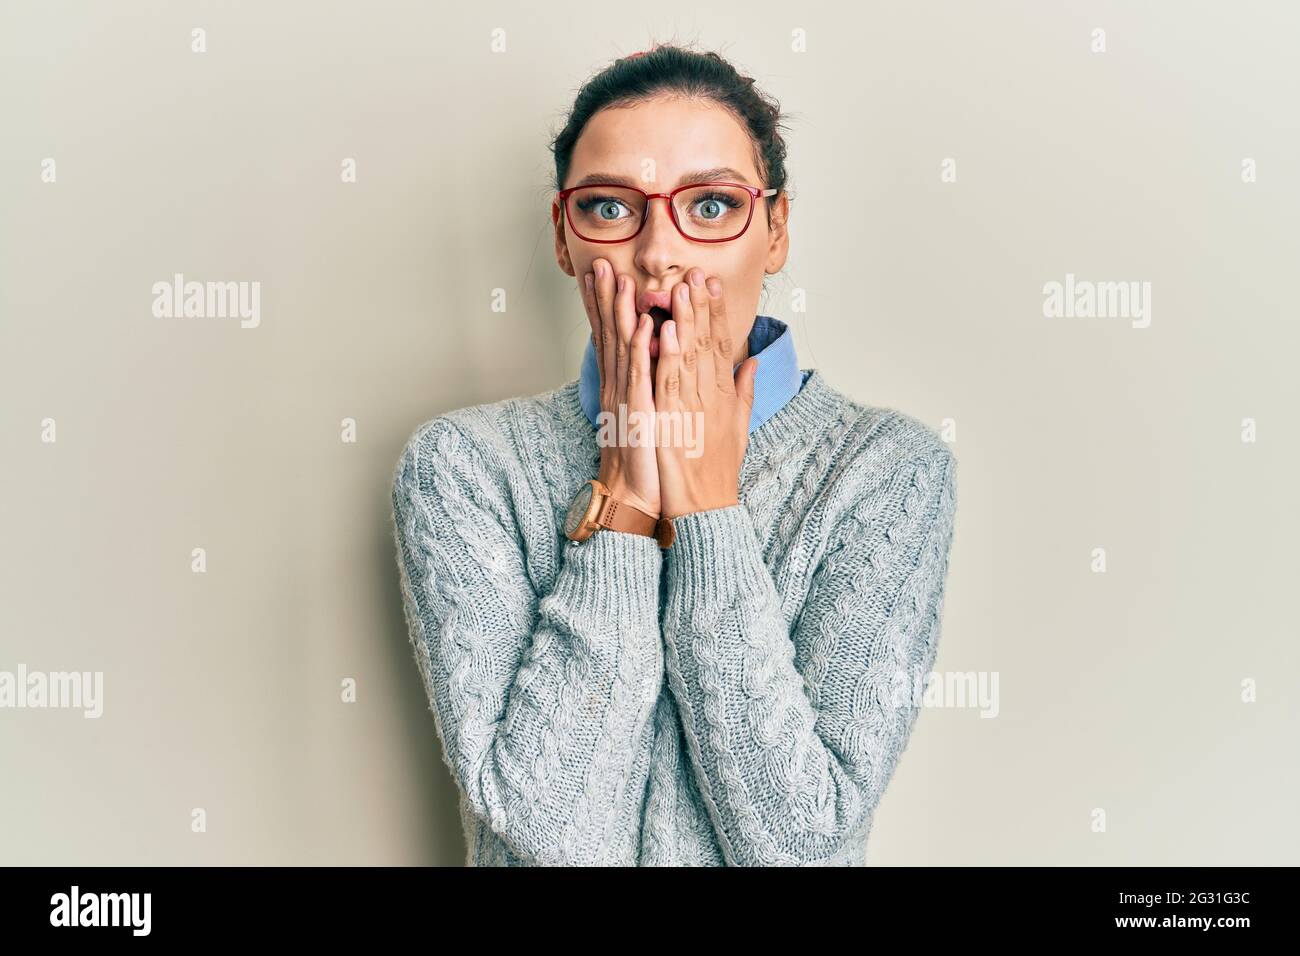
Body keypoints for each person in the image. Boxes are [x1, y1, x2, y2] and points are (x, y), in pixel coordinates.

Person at [390, 43, 958, 866]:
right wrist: (623, 491)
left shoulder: (885, 471)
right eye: (614, 209)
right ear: (563, 236)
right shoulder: (463, 468)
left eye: (713, 206)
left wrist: (706, 509)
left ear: (776, 230)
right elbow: (547, 831)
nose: (659, 254)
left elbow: (799, 843)